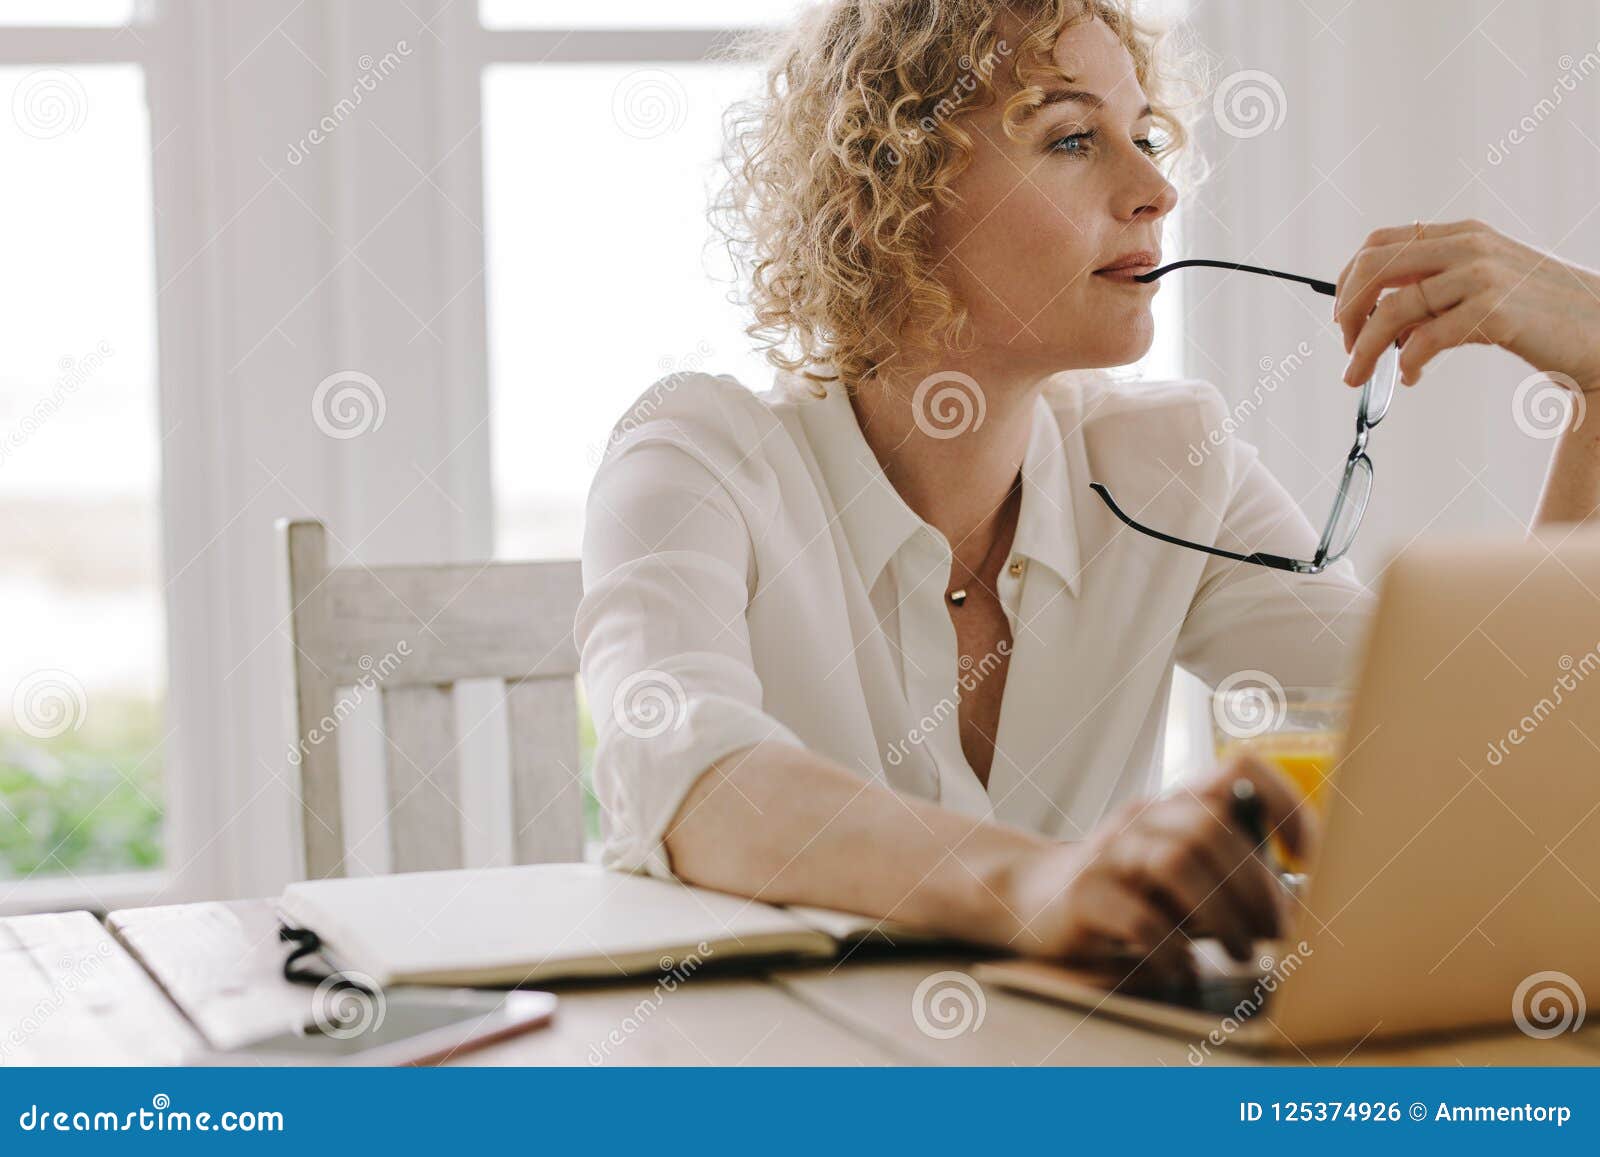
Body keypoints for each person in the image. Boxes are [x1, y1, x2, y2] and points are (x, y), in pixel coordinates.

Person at [574, 0, 1600, 983]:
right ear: (887, 190)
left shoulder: (1165, 460)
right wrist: (1042, 880)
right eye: (1072, 139)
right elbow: (684, 774)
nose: (1154, 187)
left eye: (1144, 132)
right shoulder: (696, 455)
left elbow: (1478, 756)